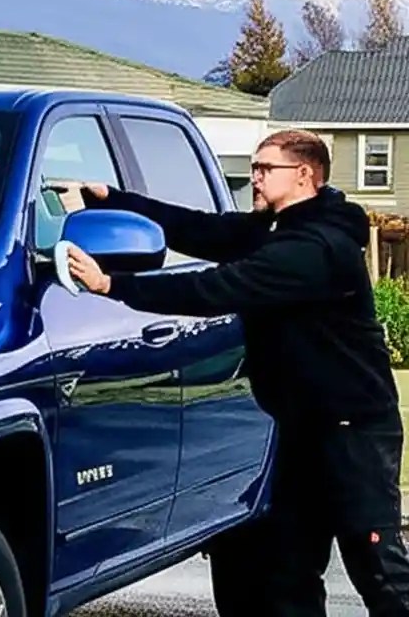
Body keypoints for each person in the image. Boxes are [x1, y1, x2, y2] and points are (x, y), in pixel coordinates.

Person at [64, 129, 409, 616]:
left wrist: (110, 285)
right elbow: (200, 230)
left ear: (305, 175)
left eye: (266, 169)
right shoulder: (274, 228)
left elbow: (216, 288)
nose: (256, 177)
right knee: (289, 566)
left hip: (353, 431)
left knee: (376, 565)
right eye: (255, 167)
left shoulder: (317, 249)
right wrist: (115, 198)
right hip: (300, 429)